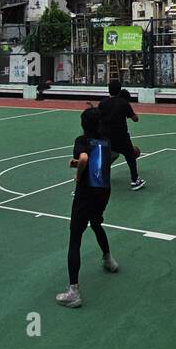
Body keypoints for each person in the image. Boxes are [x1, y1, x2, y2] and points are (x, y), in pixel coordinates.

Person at [56, 107, 119, 308]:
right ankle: (108, 259)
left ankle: (73, 291)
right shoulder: (106, 141)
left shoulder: (82, 141)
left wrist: (78, 172)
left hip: (86, 193)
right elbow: (107, 159)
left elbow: (83, 158)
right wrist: (83, 163)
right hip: (103, 191)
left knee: (75, 237)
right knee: (96, 222)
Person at [97, 80, 145, 190]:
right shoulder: (123, 103)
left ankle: (99, 176)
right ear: (119, 90)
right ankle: (135, 179)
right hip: (120, 135)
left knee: (105, 156)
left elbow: (98, 116)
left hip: (104, 135)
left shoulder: (103, 103)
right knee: (130, 156)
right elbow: (135, 119)